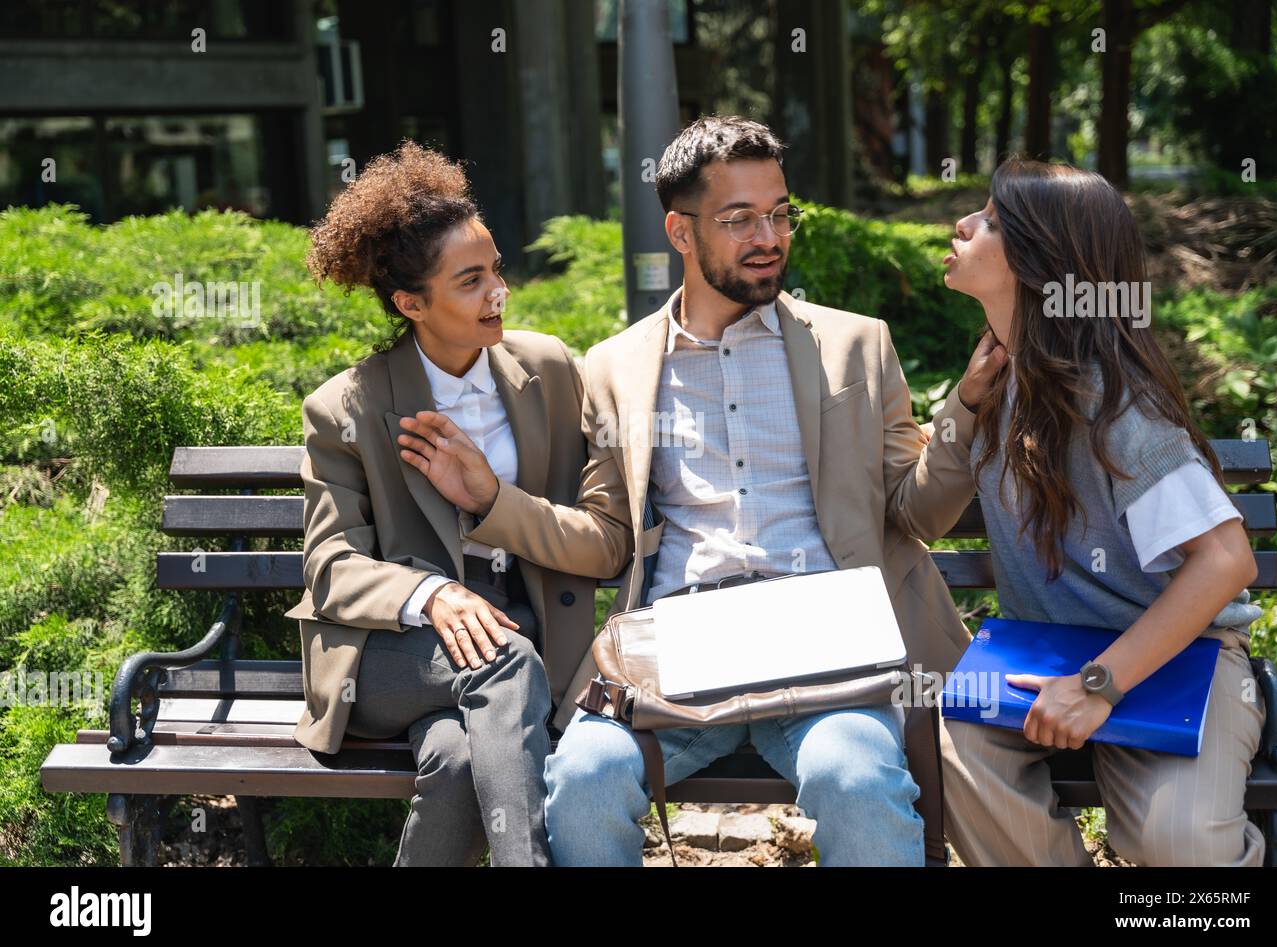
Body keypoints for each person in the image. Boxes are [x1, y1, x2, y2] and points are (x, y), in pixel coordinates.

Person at [397, 116, 1005, 866]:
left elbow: (918, 513)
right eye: (740, 218)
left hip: (828, 655)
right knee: (584, 777)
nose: (770, 236)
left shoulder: (855, 344)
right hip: (677, 653)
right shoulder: (617, 368)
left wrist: (967, 408)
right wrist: (494, 500)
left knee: (855, 777)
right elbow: (608, 537)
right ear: (680, 233)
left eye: (780, 213)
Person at [284, 141, 623, 866]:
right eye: (471, 280)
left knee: (459, 762)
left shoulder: (551, 370)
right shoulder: (347, 406)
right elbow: (331, 566)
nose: (498, 291)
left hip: (525, 633)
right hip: (388, 652)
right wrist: (433, 594)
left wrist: (495, 499)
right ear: (411, 303)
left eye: (497, 269)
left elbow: (605, 540)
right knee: (503, 662)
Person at [936, 157, 1265, 866]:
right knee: (953, 748)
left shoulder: (1119, 412)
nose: (963, 225)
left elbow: (1227, 559)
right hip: (1040, 660)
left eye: (991, 220)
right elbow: (913, 504)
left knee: (1179, 846)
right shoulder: (1000, 383)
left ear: (1038, 261)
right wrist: (964, 400)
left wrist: (1098, 685)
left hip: (1179, 662)